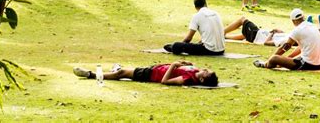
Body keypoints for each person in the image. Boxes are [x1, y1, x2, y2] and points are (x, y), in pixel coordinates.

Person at [253, 9, 320, 70]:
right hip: (319, 64)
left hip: (308, 64)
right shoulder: (312, 26)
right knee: (287, 59)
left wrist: (270, 58)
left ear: (293, 21)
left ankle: (265, 64)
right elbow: (300, 48)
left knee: (274, 58)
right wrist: (290, 57)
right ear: (303, 17)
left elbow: (285, 47)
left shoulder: (298, 30)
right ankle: (280, 63)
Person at [73, 61, 218, 86]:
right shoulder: (195, 71)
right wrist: (186, 64)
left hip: (151, 75)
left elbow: (165, 81)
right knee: (123, 72)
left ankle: (91, 75)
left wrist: (173, 65)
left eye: (206, 72)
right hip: (153, 69)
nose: (204, 70)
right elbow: (193, 67)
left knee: (122, 73)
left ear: (203, 81)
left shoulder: (188, 79)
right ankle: (115, 70)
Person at [223, 16, 289, 46]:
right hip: (258, 34)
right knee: (245, 35)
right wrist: (279, 31)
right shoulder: (290, 36)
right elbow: (281, 35)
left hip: (256, 35)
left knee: (242, 19)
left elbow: (267, 43)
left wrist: (272, 33)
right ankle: (226, 37)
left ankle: (220, 32)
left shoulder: (285, 41)